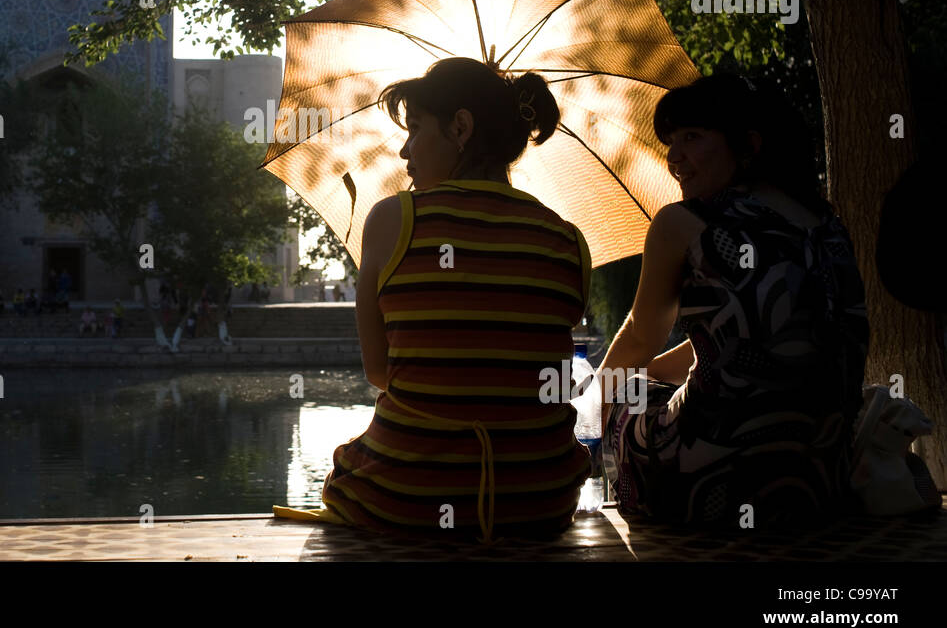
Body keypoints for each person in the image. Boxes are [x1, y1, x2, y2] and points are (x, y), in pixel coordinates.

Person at [275, 57, 592, 543]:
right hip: (540, 499)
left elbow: (380, 373)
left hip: (406, 499)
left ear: (460, 127)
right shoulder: (568, 238)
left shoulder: (392, 220)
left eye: (417, 129)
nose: (406, 151)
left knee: (350, 469)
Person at [598, 75, 869, 530]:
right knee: (652, 381)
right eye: (671, 141)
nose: (673, 157)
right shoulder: (826, 226)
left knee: (622, 394)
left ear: (748, 145)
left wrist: (590, 410)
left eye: (692, 137)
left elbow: (640, 337)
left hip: (711, 484)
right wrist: (654, 372)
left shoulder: (686, 222)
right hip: (817, 481)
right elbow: (756, 337)